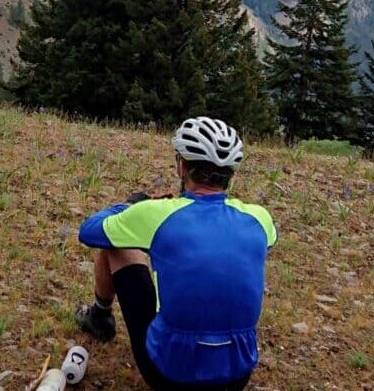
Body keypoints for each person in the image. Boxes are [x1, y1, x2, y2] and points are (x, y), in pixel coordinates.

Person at [74, 117, 276, 391]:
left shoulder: (158, 213)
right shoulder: (260, 219)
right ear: (231, 173)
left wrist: (132, 206)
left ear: (182, 166)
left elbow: (89, 231)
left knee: (118, 243)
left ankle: (99, 316)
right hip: (236, 377)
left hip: (169, 376)